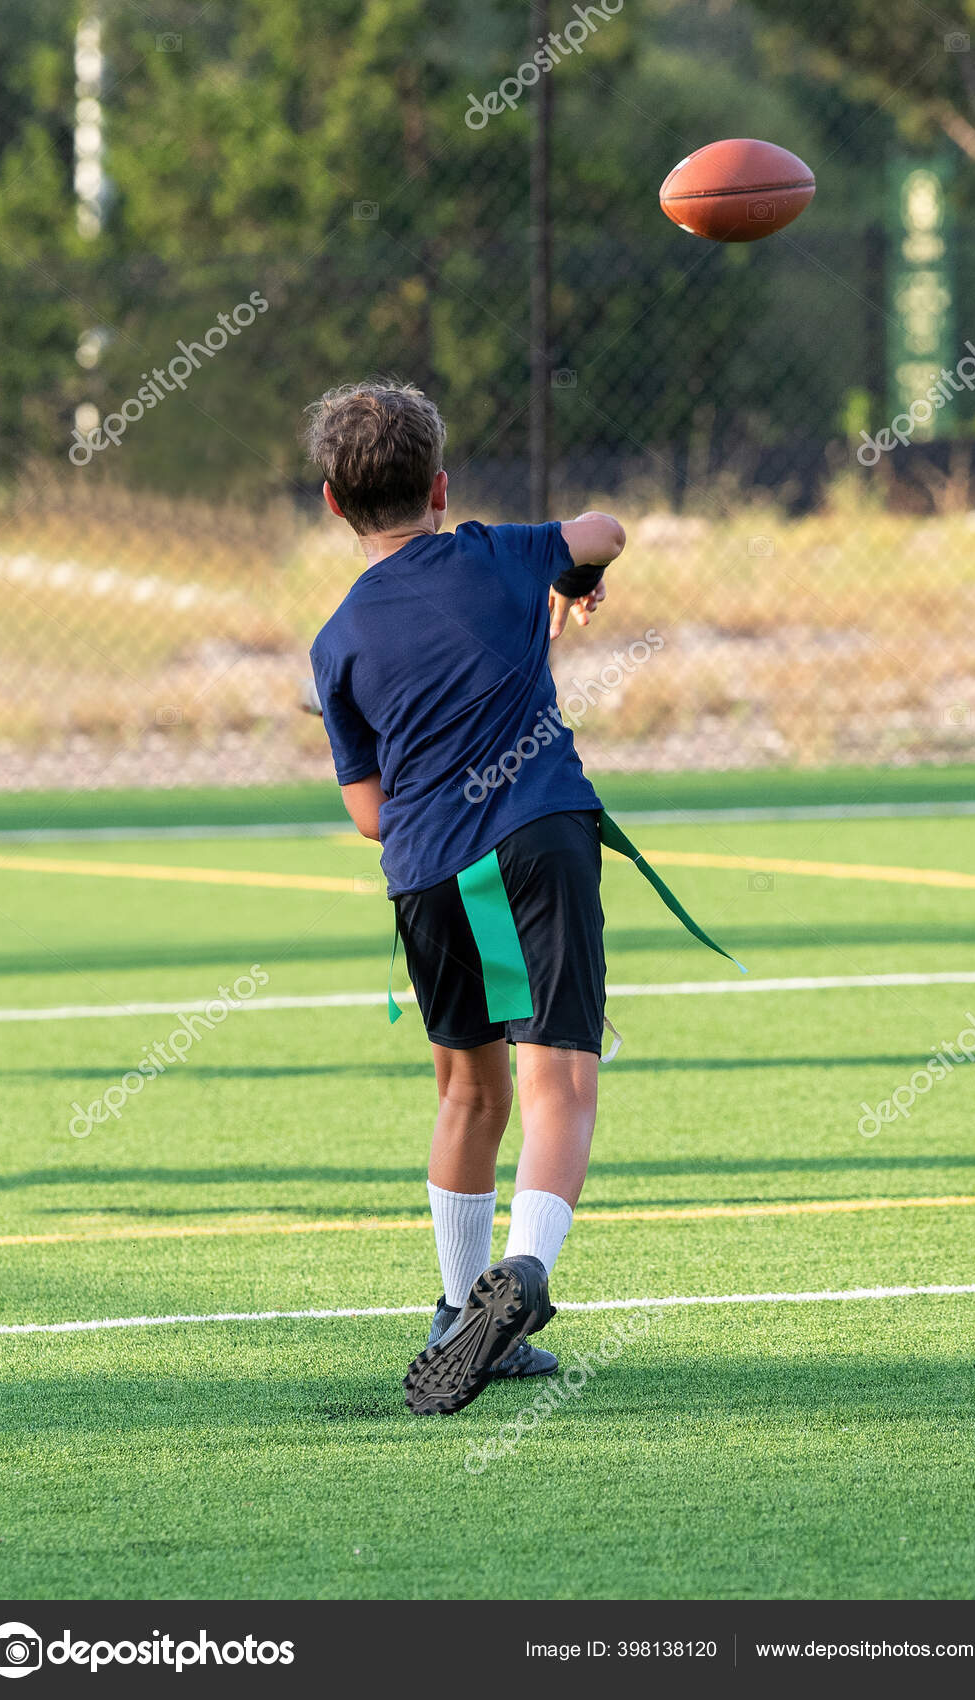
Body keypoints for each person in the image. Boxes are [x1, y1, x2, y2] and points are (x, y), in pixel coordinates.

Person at [307, 380, 625, 1414]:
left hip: (427, 867)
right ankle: (524, 1273)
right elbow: (608, 527)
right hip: (533, 834)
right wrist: (572, 572)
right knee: (560, 1084)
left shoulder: (337, 639)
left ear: (329, 503)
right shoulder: (496, 550)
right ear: (440, 486)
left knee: (466, 1090)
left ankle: (458, 1311)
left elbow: (368, 813)